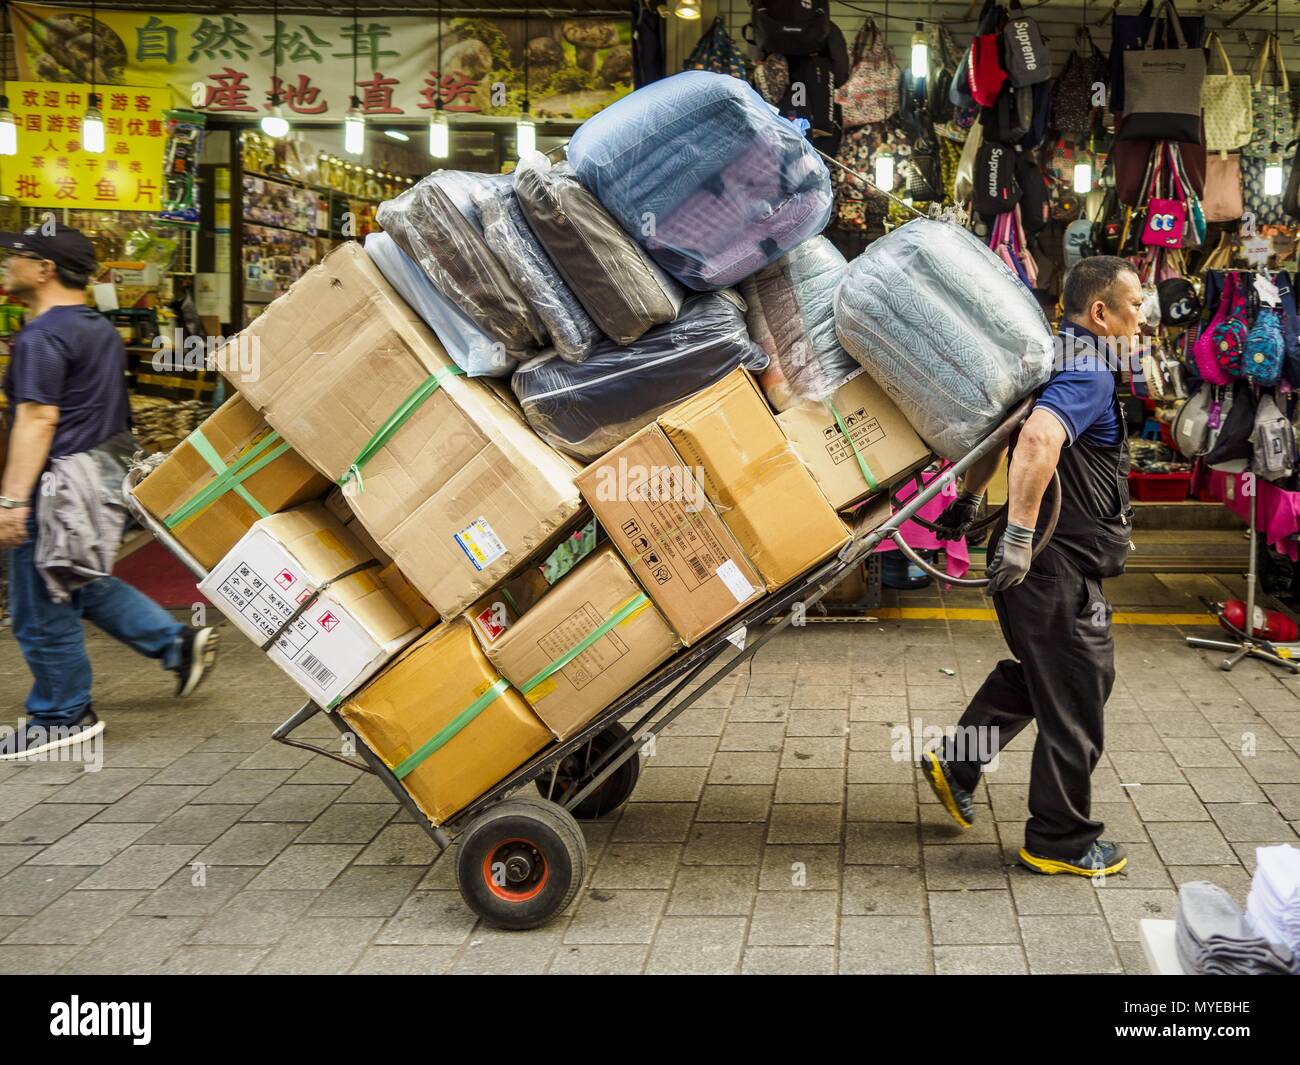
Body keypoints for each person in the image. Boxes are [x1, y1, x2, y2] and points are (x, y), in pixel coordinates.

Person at [918, 256, 1142, 878]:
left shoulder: (1046, 356)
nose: (1142, 320)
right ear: (1100, 312)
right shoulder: (1089, 370)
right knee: (1077, 692)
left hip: (1036, 568)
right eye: (1136, 306)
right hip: (1052, 566)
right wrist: (1015, 534)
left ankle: (957, 762)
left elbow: (994, 433)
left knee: (1045, 674)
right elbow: (1038, 439)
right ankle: (1059, 840)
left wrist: (968, 501)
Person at [0, 222, 217, 761]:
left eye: (17, 256)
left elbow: (38, 418)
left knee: (40, 601)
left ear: (45, 269)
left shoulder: (41, 336)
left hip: (58, 483)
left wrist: (12, 499)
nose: (8, 264)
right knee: (79, 580)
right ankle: (176, 644)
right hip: (101, 476)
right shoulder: (97, 327)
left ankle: (62, 715)